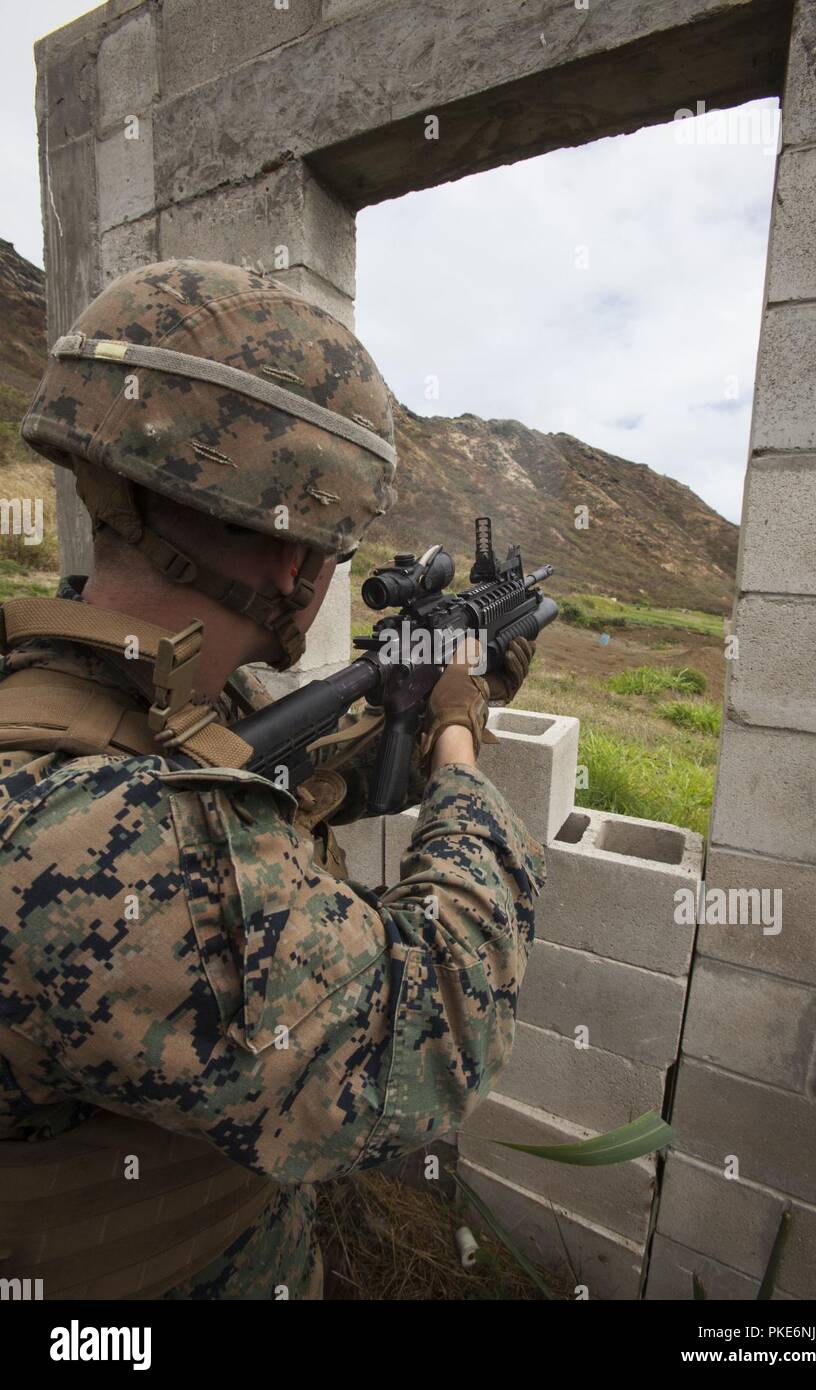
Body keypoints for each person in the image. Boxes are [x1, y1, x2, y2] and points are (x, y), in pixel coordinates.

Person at [0, 259, 545, 1300]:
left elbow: (264, 792)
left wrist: (412, 706)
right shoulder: (113, 840)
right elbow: (428, 1039)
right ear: (299, 568)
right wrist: (459, 746)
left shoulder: (86, 698)